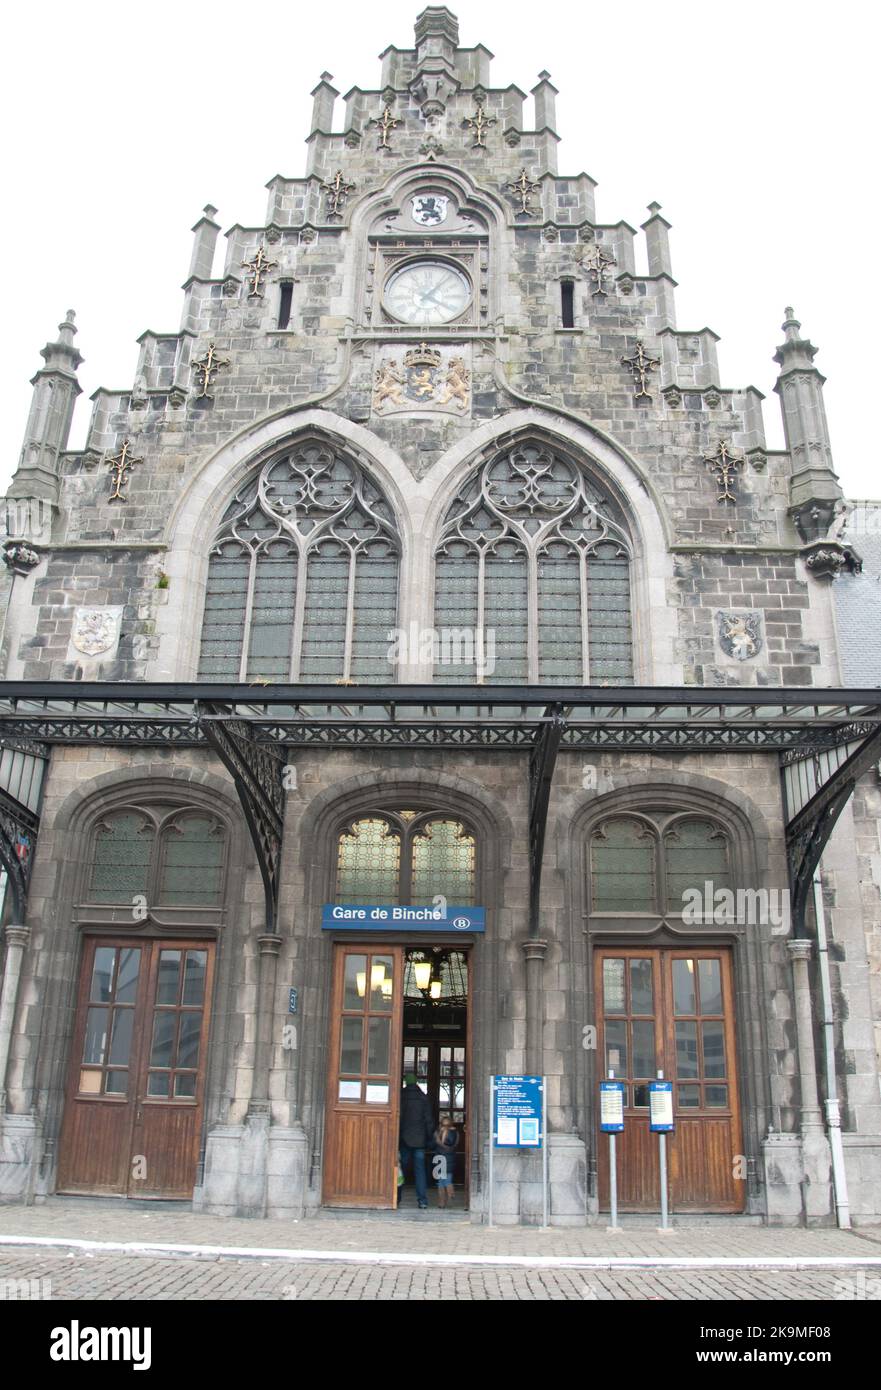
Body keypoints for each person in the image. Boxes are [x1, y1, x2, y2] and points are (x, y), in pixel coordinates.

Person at [399, 1072, 434, 1209]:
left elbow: (399, 1118)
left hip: (404, 1140)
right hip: (420, 1141)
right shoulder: (422, 1098)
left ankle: (396, 1197)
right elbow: (429, 1121)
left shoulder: (401, 1097)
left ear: (406, 1082)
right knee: (420, 1171)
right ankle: (422, 1200)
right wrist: (430, 1138)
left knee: (401, 1170)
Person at [432, 1115, 458, 1208]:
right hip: (450, 1160)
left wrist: (437, 1136)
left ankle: (443, 1201)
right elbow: (451, 1144)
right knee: (446, 1181)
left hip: (440, 1159)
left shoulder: (440, 1133)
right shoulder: (454, 1133)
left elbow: (435, 1145)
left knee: (441, 1182)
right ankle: (448, 1199)